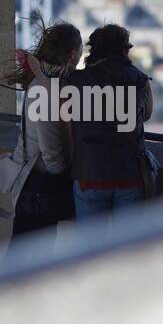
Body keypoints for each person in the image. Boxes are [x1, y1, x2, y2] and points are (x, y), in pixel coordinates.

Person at [0, 19, 83, 245]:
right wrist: (61, 174)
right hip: (41, 184)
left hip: (32, 183)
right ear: (72, 54)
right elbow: (50, 145)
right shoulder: (47, 87)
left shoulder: (43, 82)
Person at [65, 24, 155, 220]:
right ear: (124, 50)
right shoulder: (139, 79)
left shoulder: (76, 80)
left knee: (92, 248)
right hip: (129, 173)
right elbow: (146, 114)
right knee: (128, 247)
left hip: (89, 172)